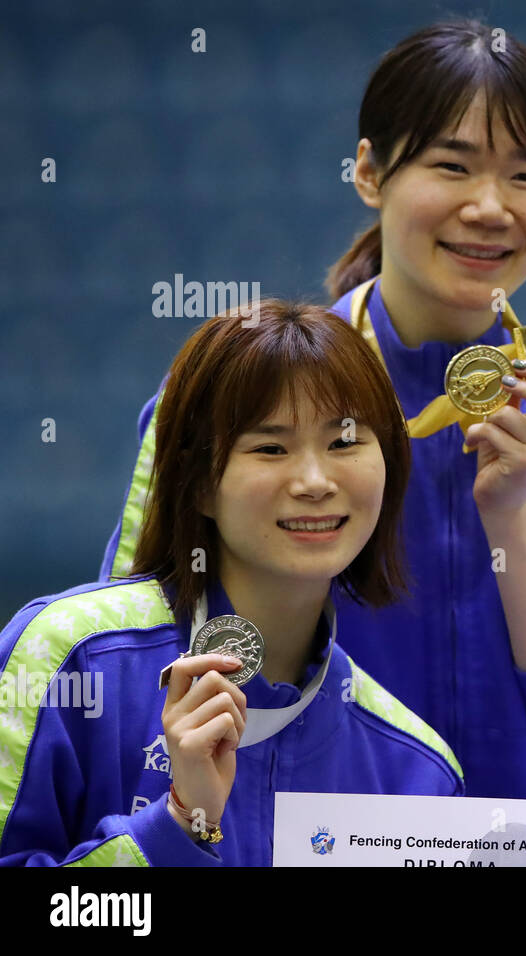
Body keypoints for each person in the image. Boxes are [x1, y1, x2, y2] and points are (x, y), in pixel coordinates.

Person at [99, 21, 526, 802]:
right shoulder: (221, 402)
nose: (490, 207)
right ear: (369, 171)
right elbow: (133, 676)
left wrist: (513, 516)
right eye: (452, 166)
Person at [1, 302, 462, 866]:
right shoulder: (66, 659)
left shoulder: (414, 769)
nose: (315, 481)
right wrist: (178, 824)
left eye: (344, 443)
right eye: (270, 448)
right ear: (198, 484)